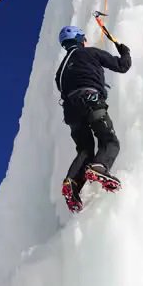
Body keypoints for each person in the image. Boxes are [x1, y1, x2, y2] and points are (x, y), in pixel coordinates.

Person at [56, 25, 132, 213]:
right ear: (81, 40)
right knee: (109, 141)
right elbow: (122, 66)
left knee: (85, 149)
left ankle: (72, 183)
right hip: (91, 100)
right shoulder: (90, 53)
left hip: (71, 111)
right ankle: (99, 167)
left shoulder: (61, 70)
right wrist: (125, 50)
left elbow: (62, 88)